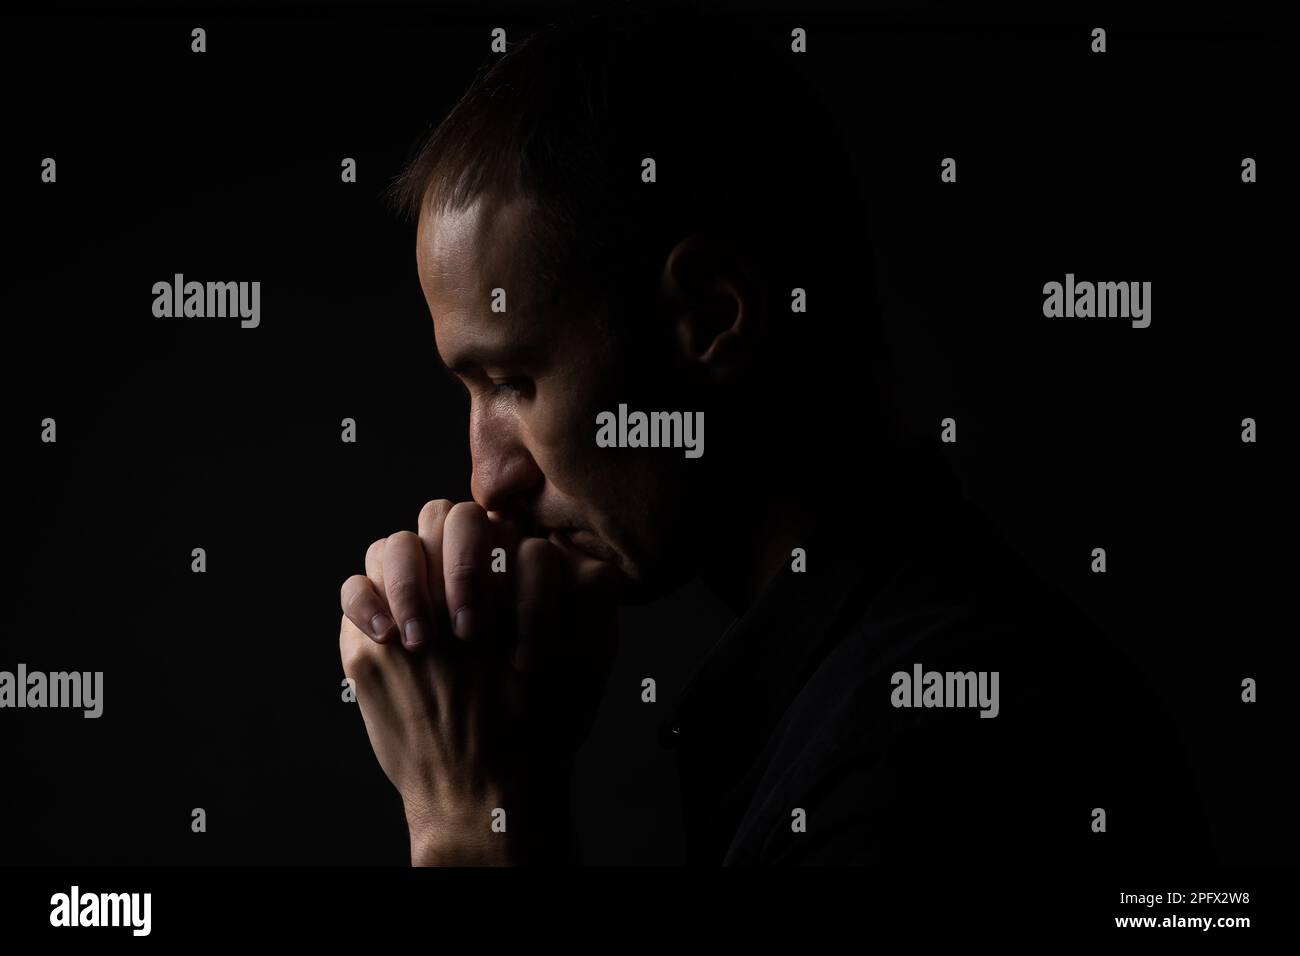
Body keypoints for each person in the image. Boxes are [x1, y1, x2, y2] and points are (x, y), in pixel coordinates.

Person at [338, 4, 1207, 866]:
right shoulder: (872, 695)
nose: (488, 479)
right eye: (471, 391)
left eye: (513, 384)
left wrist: (463, 818)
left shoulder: (933, 757)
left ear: (712, 317)